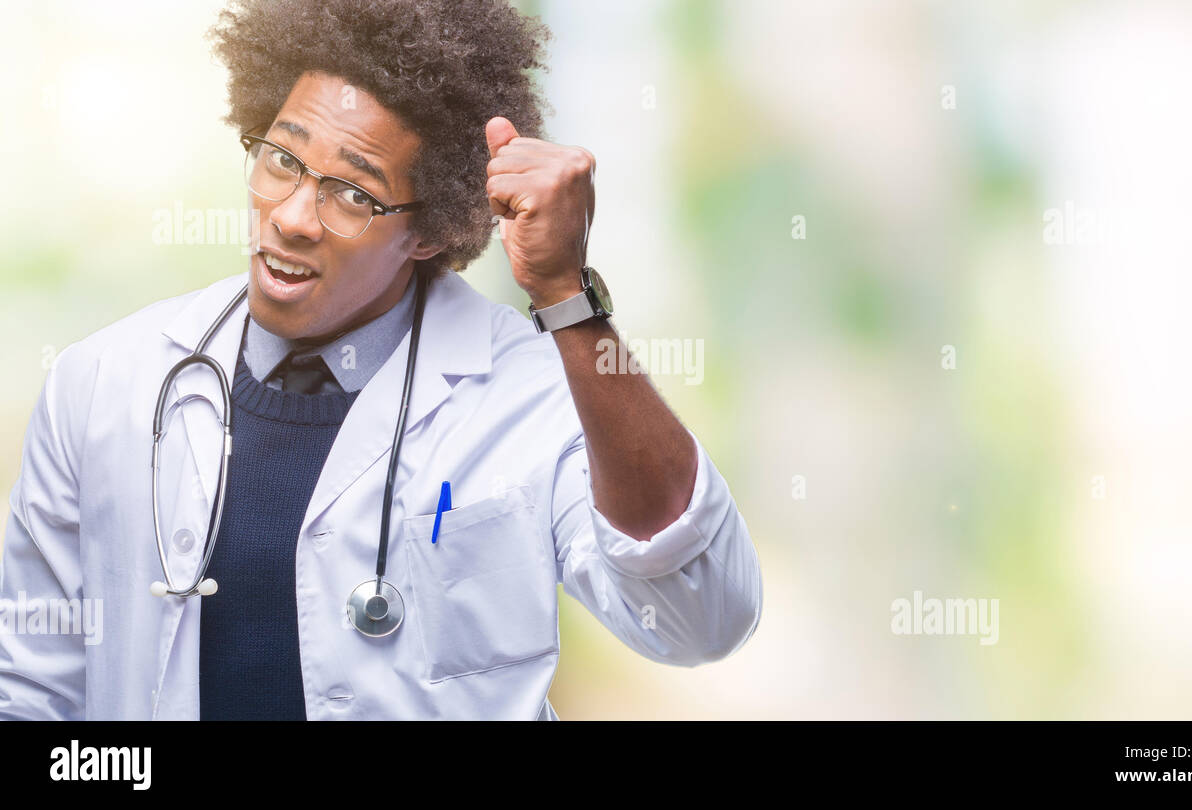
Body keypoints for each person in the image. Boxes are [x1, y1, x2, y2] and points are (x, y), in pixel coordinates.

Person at [0, 0, 762, 720]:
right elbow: (31, 693)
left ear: (430, 228)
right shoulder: (103, 384)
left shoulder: (534, 396)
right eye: (281, 160)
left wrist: (565, 295)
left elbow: (702, 617)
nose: (294, 218)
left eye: (354, 195)